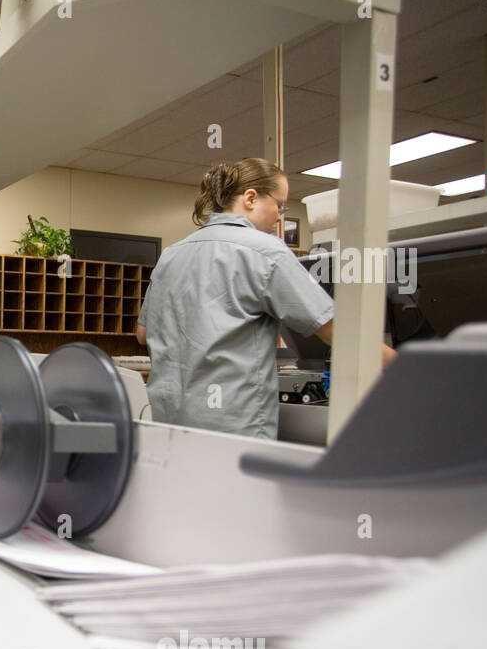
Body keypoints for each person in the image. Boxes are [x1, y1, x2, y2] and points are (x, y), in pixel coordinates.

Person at [136, 157, 395, 439]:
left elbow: (143, 333)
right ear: (250, 198)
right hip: (232, 427)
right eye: (280, 204)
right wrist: (404, 365)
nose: (280, 215)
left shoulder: (172, 254)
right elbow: (334, 329)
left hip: (168, 422)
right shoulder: (265, 251)